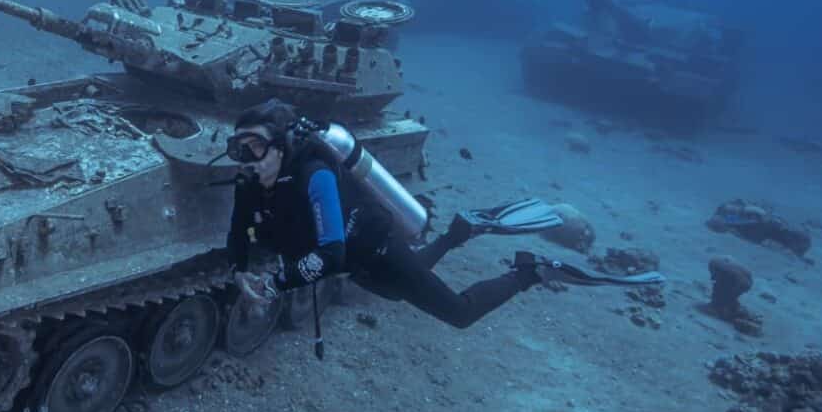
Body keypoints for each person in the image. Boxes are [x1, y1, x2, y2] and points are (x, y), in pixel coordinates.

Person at [224, 100, 583, 329]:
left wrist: (274, 284)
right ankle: (455, 234)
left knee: (459, 313)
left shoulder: (314, 175)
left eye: (255, 147)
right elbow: (239, 228)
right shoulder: (251, 178)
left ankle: (529, 272)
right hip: (358, 264)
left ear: (282, 147)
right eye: (238, 148)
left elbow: (330, 252)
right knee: (398, 292)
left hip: (378, 249)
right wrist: (239, 271)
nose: (245, 159)